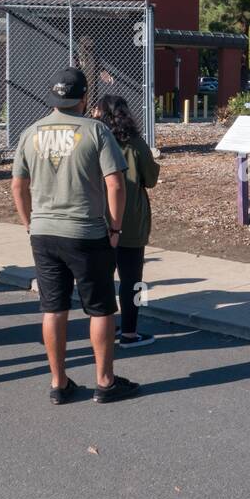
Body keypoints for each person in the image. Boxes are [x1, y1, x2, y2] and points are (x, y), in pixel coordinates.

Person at [11, 66, 137, 405]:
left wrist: (28, 222)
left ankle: (58, 382)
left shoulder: (30, 132)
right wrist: (115, 227)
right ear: (84, 98)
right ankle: (105, 381)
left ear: (53, 98)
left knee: (53, 308)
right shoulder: (95, 131)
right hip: (86, 232)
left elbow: (18, 185)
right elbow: (115, 183)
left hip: (43, 232)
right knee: (101, 310)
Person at [89, 94, 159, 348]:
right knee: (133, 280)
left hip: (97, 218)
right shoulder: (135, 143)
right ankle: (130, 331)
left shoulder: (92, 140)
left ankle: (104, 325)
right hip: (130, 220)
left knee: (103, 277)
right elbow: (150, 179)